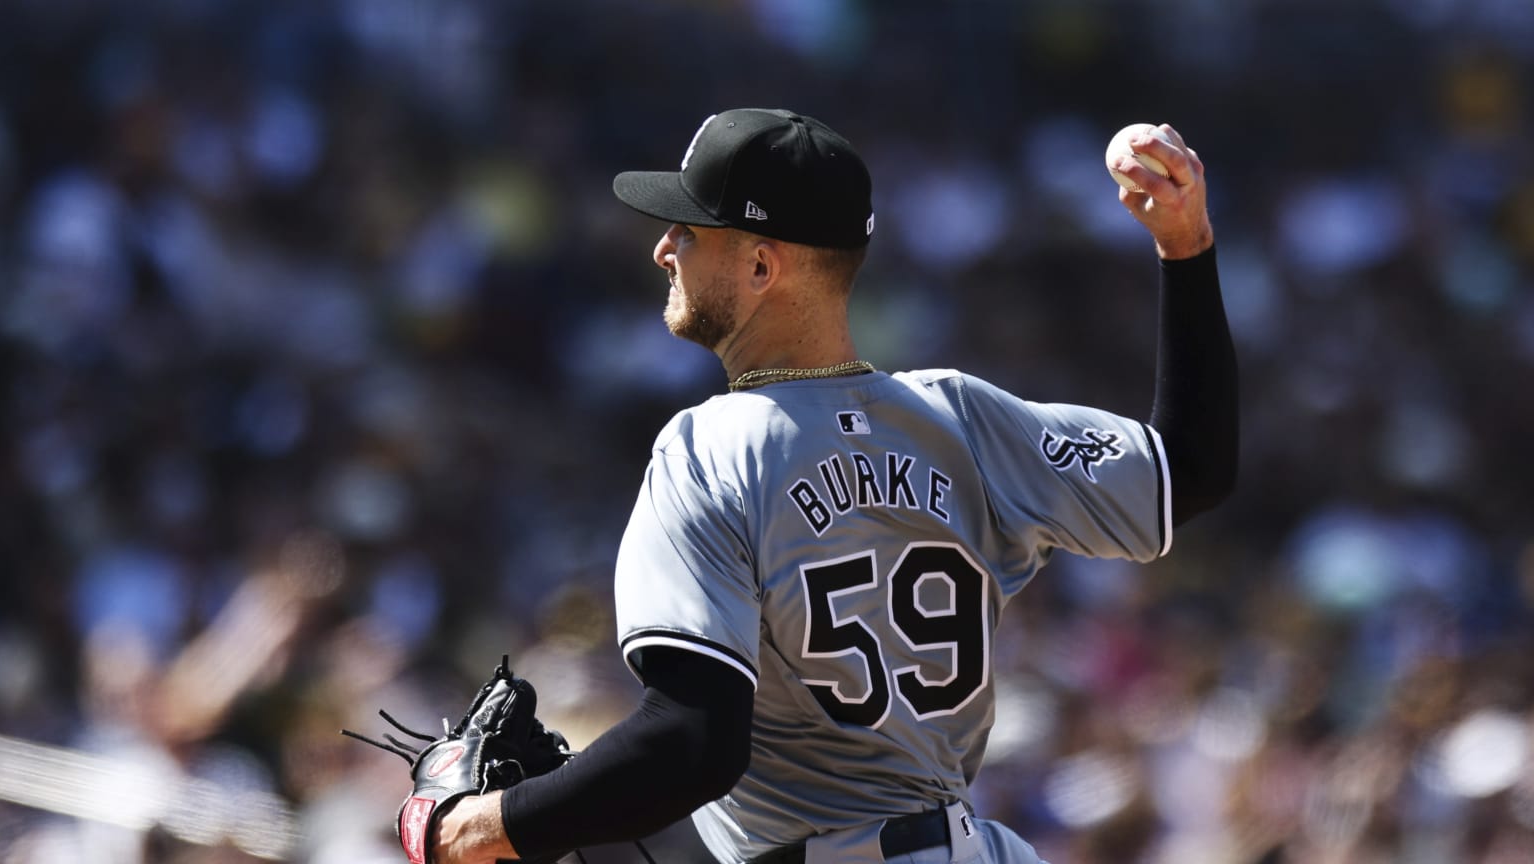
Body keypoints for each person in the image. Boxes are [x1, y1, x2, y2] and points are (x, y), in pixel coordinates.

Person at [429, 107, 1237, 864]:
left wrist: (476, 827)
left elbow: (693, 744)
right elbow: (1188, 471)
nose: (663, 248)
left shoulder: (709, 450)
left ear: (760, 264)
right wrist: (1187, 246)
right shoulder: (960, 417)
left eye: (689, 229)